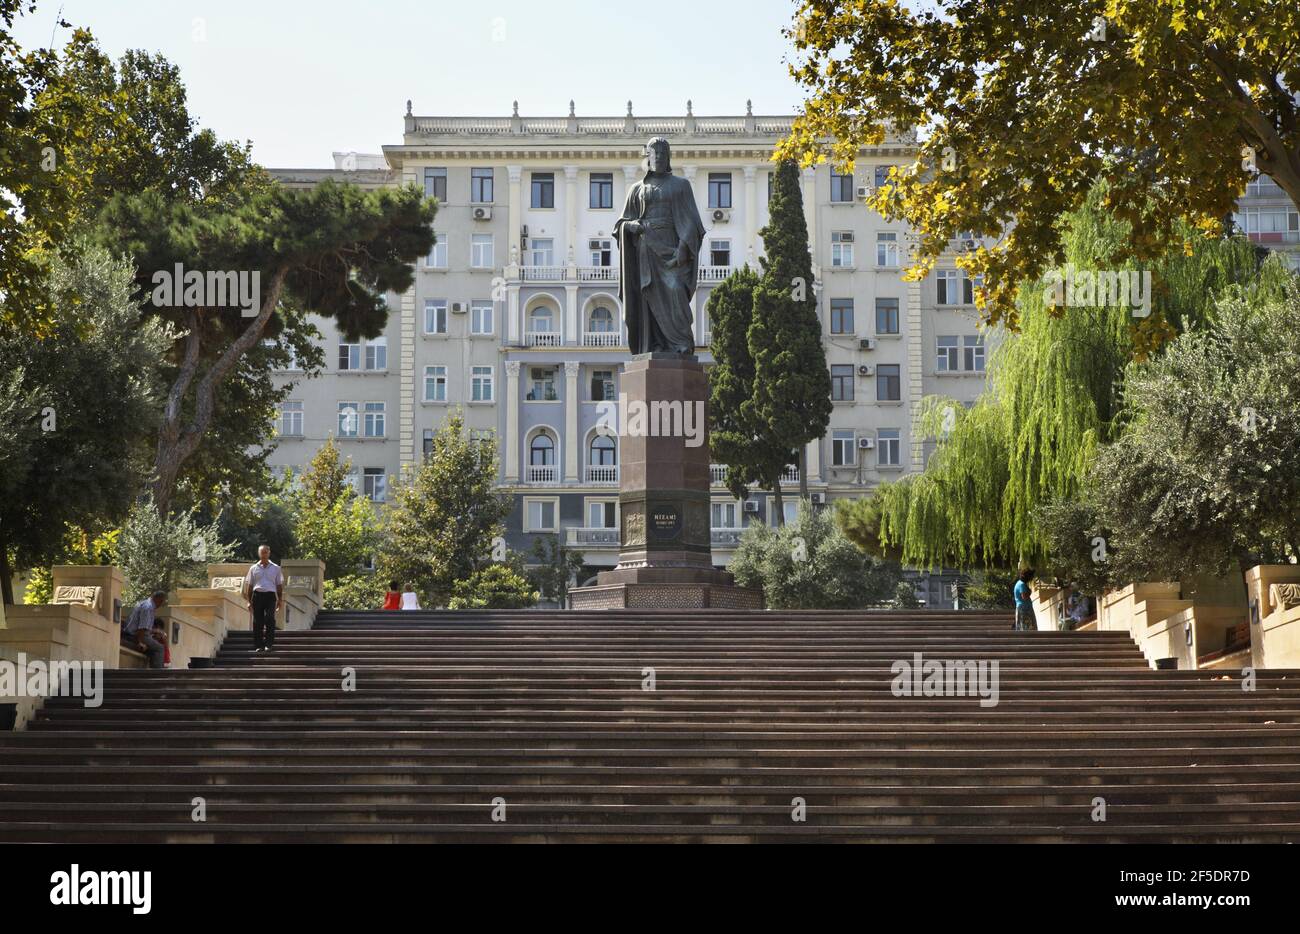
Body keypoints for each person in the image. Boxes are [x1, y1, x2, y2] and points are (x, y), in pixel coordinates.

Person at [243, 545, 285, 653]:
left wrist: (280, 600)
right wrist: (248, 601)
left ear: (269, 553)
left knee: (270, 618)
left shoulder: (276, 568)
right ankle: (259, 645)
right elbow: (249, 585)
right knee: (258, 621)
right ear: (259, 553)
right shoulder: (253, 568)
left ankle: (269, 644)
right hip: (257, 595)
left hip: (270, 596)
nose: (264, 554)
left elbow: (279, 585)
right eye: (262, 552)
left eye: (265, 552)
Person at [123, 591, 168, 669]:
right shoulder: (148, 608)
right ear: (158, 599)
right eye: (161, 602)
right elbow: (142, 628)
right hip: (134, 635)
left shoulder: (144, 603)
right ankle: (158, 673)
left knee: (155, 644)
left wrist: (156, 631)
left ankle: (153, 669)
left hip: (136, 633)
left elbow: (145, 627)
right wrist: (140, 642)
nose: (160, 604)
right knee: (160, 648)